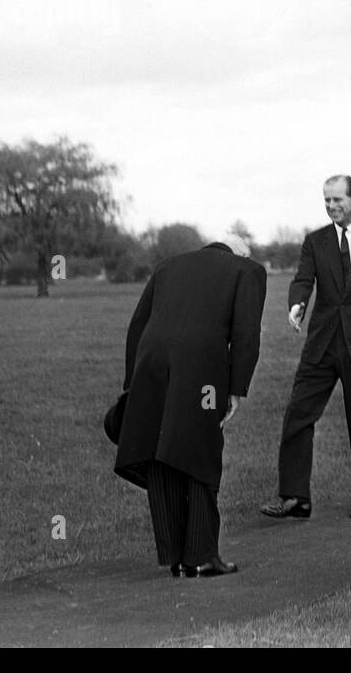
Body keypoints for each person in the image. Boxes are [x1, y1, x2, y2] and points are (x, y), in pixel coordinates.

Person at [114, 235, 267, 578]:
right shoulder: (247, 269)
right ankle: (201, 556)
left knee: (160, 453)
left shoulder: (168, 266)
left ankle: (173, 557)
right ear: (241, 252)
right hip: (202, 369)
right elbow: (246, 333)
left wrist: (132, 384)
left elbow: (137, 325)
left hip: (151, 365)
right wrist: (236, 389)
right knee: (200, 453)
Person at [261, 175, 351, 521]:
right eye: (326, 200)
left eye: (338, 200)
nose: (331, 207)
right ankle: (296, 498)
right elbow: (303, 279)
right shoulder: (315, 241)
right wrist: (297, 304)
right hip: (323, 344)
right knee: (298, 414)